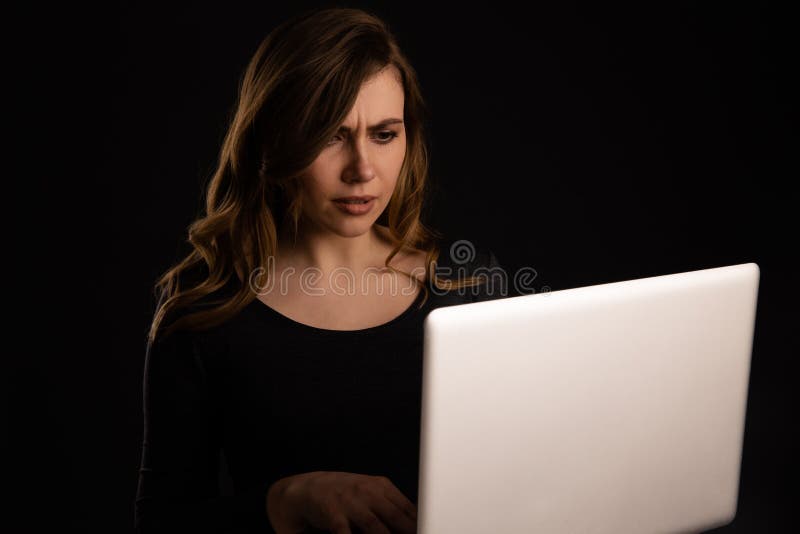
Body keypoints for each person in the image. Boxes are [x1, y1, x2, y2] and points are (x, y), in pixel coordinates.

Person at [134, 7, 511, 534]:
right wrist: (281, 502)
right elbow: (160, 522)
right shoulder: (205, 311)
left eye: (384, 134)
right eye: (331, 136)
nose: (362, 170)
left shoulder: (468, 294)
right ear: (273, 141)